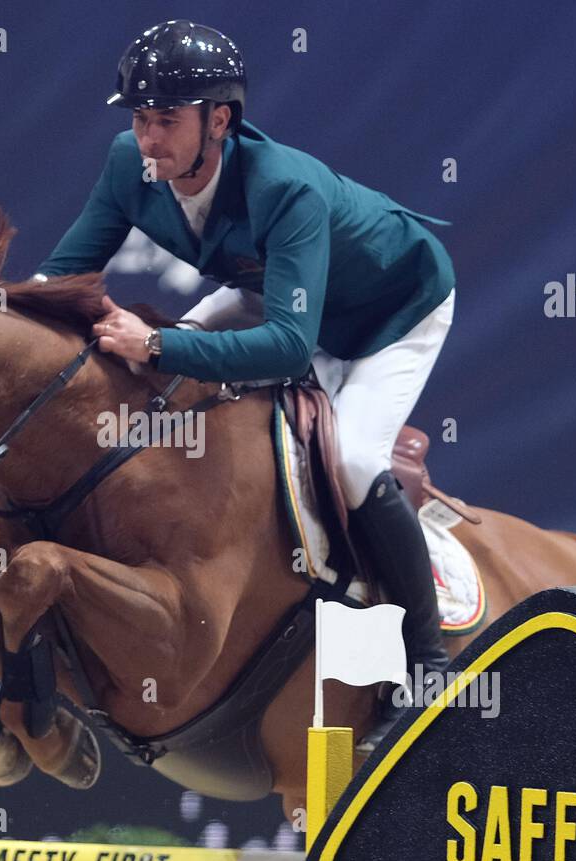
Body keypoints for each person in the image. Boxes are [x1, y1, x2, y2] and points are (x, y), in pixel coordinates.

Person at [33, 20, 456, 733]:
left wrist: (161, 343)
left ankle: (426, 660)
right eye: (140, 118)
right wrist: (2, 322)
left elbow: (291, 349)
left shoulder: (285, 190)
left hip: (392, 311)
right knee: (175, 379)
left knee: (352, 460)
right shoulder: (129, 166)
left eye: (166, 120)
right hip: (276, 289)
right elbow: (65, 273)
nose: (148, 139)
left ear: (219, 119)